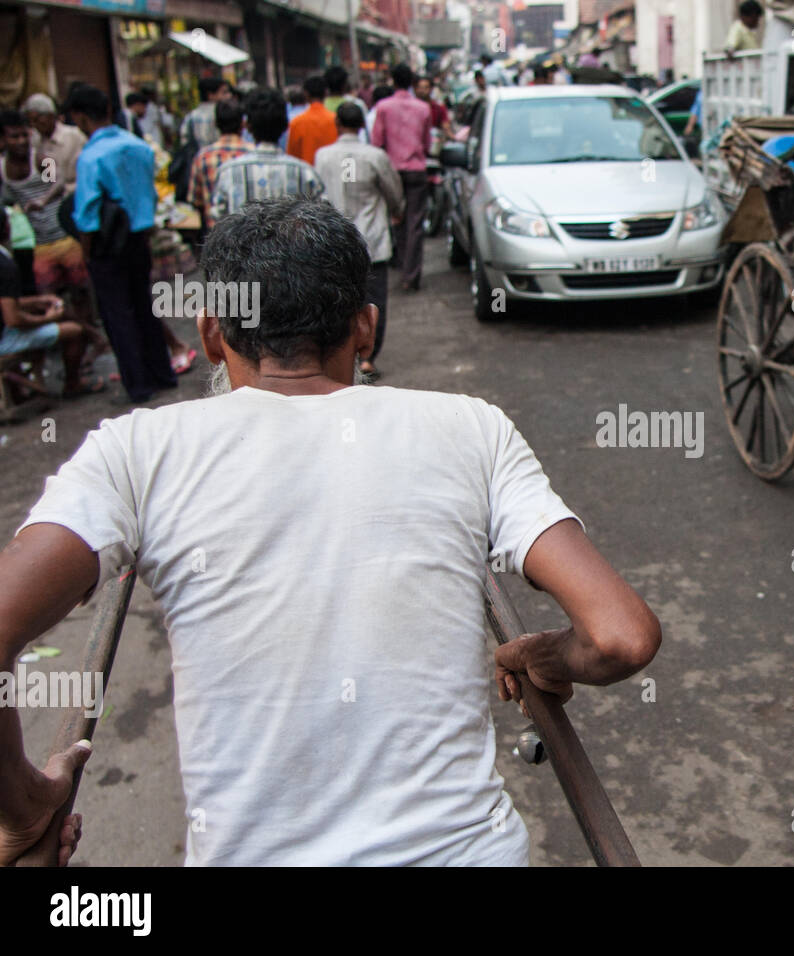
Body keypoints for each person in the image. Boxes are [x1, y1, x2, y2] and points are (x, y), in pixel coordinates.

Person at [0, 196, 661, 866]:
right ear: (367, 328)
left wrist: (27, 807)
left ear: (207, 333)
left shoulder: (135, 450)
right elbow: (621, 637)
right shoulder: (472, 427)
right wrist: (544, 655)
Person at [63, 86, 176, 405]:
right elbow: (150, 195)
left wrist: (87, 254)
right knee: (143, 305)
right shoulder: (139, 147)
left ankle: (139, 385)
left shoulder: (91, 157)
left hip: (106, 245)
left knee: (118, 315)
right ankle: (162, 372)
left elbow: (87, 214)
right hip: (139, 239)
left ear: (80, 117)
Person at [0, 110, 107, 371]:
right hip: (38, 243)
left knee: (80, 295)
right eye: (15, 136)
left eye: (25, 134)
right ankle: (81, 340)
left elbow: (58, 186)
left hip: (62, 235)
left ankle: (88, 340)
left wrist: (43, 201)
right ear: (3, 139)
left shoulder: (40, 159)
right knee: (49, 297)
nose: (21, 141)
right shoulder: (2, 169)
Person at [315, 103, 403, 379]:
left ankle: (341, 358)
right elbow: (393, 192)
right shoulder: (375, 156)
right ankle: (367, 358)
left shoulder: (323, 156)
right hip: (371, 240)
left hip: (331, 241)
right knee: (374, 301)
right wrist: (397, 211)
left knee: (338, 301)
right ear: (361, 126)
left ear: (338, 124)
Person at [0, 202, 94, 398]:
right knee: (75, 332)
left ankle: (27, 386)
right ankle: (72, 383)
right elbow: (13, 320)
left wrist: (36, 302)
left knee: (46, 312)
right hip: (4, 339)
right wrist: (49, 318)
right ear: (7, 228)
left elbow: (6, 305)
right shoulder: (5, 266)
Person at [212, 88, 324, 221]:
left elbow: (218, 217)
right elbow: (323, 219)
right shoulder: (305, 174)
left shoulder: (228, 172)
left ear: (247, 126)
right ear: (285, 126)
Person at [370, 63, 432, 292]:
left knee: (398, 219)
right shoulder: (423, 108)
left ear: (392, 81)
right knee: (416, 223)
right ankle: (411, 274)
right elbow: (427, 143)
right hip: (416, 169)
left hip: (392, 170)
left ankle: (403, 265)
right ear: (412, 83)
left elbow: (377, 142)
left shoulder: (383, 108)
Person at [188, 99, 253, 232]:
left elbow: (196, 200)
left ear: (216, 124)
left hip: (216, 234)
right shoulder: (253, 153)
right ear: (243, 124)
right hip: (249, 233)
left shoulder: (203, 156)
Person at [22, 93, 86, 199]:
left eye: (37, 119)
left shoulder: (74, 136)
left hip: (75, 195)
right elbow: (47, 178)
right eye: (31, 122)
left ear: (51, 115)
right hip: (49, 198)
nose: (34, 125)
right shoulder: (35, 141)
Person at [287, 75, 338, 166]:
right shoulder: (337, 120)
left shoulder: (297, 122)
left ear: (306, 94)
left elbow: (292, 158)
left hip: (307, 175)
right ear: (326, 93)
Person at [178, 77, 231, 152]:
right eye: (224, 92)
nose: (229, 95)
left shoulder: (191, 116)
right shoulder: (223, 114)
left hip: (199, 160)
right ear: (210, 95)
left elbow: (184, 141)